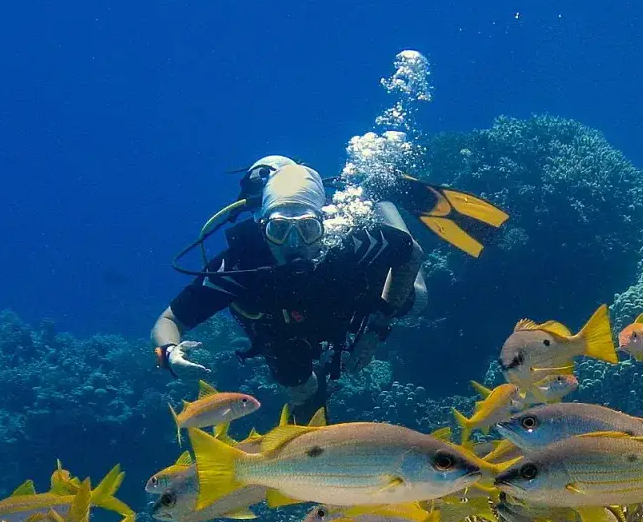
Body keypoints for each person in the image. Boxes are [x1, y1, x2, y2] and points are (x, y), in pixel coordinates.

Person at [153, 155, 506, 422]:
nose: (293, 244)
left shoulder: (352, 243)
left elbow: (409, 251)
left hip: (357, 302)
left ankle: (384, 199)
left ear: (325, 223)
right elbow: (170, 320)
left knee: (416, 301)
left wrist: (377, 328)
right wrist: (169, 353)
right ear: (262, 227)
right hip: (283, 331)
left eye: (307, 229)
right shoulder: (237, 266)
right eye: (279, 230)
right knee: (298, 388)